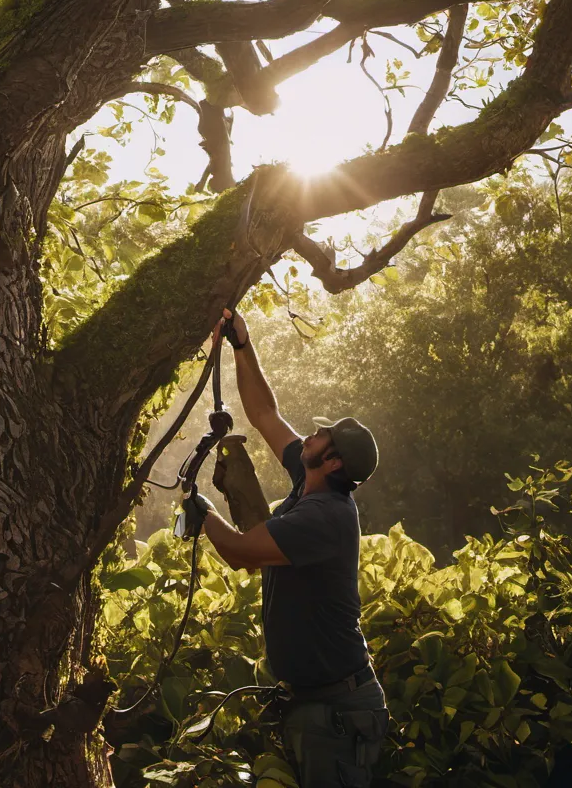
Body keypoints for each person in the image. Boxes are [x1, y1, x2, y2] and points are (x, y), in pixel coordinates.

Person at [180, 308, 389, 788]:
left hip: (337, 712)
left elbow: (239, 552)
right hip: (315, 702)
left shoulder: (323, 517)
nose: (310, 435)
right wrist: (241, 343)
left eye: (322, 436)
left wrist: (201, 510)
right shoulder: (308, 480)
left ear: (332, 461)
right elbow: (264, 414)